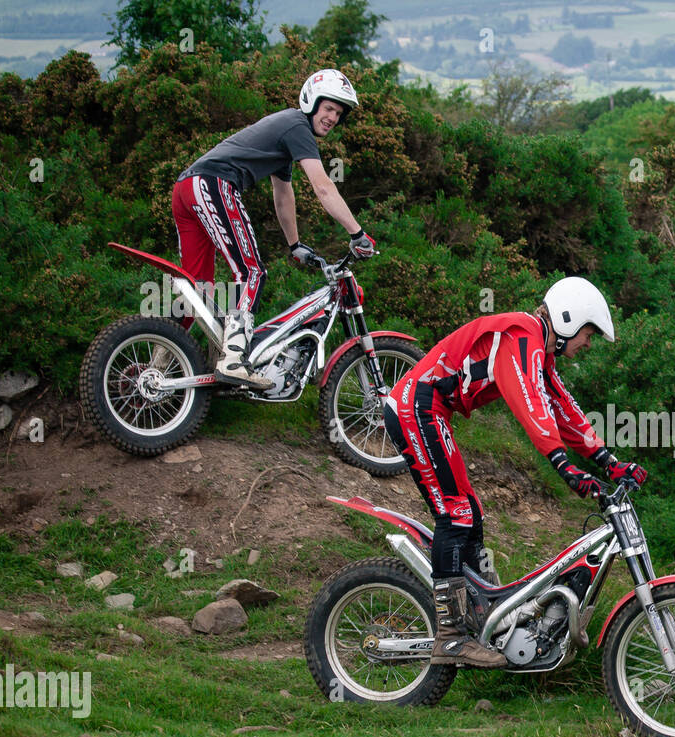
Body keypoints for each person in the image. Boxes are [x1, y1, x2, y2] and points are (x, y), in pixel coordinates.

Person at [384, 277, 648, 668]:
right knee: (456, 512)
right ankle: (451, 636)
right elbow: (530, 404)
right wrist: (564, 466)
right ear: (569, 320)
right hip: (416, 406)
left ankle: (475, 613)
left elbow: (562, 407)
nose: (587, 344)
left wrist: (608, 460)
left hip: (430, 409)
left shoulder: (538, 348)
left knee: (470, 511)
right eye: (588, 334)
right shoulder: (520, 336)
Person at [172, 69, 376, 389]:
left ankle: (160, 359)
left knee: (198, 285)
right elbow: (323, 187)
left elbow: (283, 195)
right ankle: (234, 357)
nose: (333, 118)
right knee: (252, 272)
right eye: (328, 109)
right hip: (212, 184)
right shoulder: (297, 128)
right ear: (312, 102)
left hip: (186, 188)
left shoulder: (286, 129)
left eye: (338, 113)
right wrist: (357, 233)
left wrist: (294, 245)